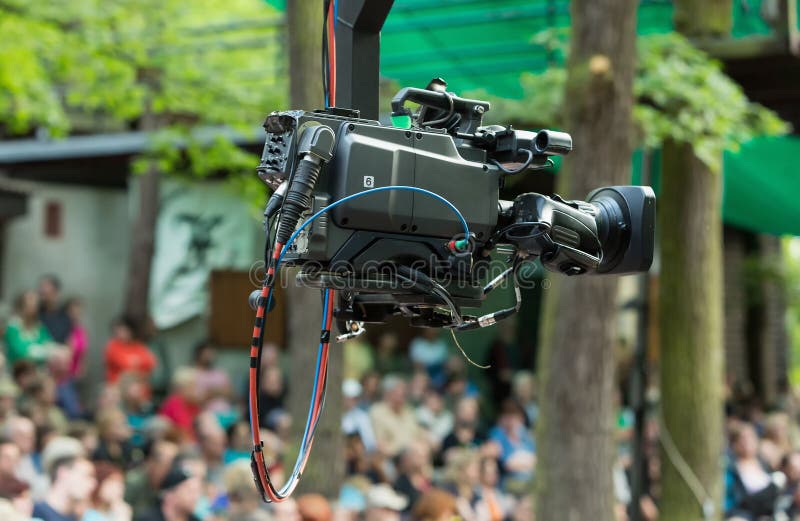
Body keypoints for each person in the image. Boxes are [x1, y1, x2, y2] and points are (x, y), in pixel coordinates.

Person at [724, 422, 781, 520]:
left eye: (750, 438)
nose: (747, 442)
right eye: (742, 439)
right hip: (744, 513)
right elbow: (733, 500)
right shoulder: (731, 467)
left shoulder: (764, 463)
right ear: (734, 444)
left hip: (769, 511)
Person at [33, 439, 96, 521]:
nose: (93, 483)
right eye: (87, 476)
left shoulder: (80, 516)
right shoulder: (36, 514)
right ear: (63, 473)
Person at [489, 399, 536, 491]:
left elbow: (537, 460)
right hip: (509, 485)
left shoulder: (526, 436)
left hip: (530, 483)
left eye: (516, 416)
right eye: (508, 416)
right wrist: (528, 463)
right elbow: (507, 464)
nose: (512, 420)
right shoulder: (498, 435)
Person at [134, 460, 203, 521]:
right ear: (170, 493)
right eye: (190, 491)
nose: (195, 497)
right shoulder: (148, 518)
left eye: (197, 491)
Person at [369, 376, 420, 458]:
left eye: (405, 392)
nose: (404, 394)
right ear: (388, 393)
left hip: (415, 453)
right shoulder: (377, 412)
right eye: (400, 391)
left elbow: (418, 433)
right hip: (393, 456)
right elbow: (379, 444)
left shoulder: (408, 411)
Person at [125, 440, 180, 517]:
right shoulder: (133, 481)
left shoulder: (174, 482)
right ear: (151, 462)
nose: (170, 468)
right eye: (166, 464)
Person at [4, 290, 54, 365]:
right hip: (17, 370)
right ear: (21, 306)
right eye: (29, 303)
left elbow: (49, 346)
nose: (33, 306)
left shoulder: (40, 327)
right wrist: (39, 351)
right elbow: (19, 351)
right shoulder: (12, 327)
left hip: (38, 371)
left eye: (35, 304)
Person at [104, 317, 157, 386]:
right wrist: (138, 367)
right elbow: (124, 365)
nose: (121, 333)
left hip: (139, 388)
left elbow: (151, 363)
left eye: (124, 330)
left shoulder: (138, 345)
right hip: (118, 388)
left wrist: (135, 367)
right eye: (119, 330)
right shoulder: (112, 346)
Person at [159, 368, 204, 441]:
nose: (196, 390)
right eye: (193, 386)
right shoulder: (174, 402)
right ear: (181, 387)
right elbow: (183, 427)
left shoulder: (193, 405)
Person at [341, 379, 376, 453]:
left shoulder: (362, 417)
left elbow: (370, 443)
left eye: (354, 399)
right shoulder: (336, 416)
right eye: (348, 398)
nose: (351, 401)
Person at [39, 275, 71, 344]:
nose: (41, 290)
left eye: (45, 287)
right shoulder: (35, 313)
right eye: (41, 287)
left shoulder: (65, 317)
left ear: (56, 292)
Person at [64, 297, 88, 378]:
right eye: (72, 311)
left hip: (76, 374)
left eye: (78, 311)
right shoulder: (63, 329)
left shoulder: (80, 330)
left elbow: (83, 352)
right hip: (63, 372)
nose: (75, 314)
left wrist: (82, 368)